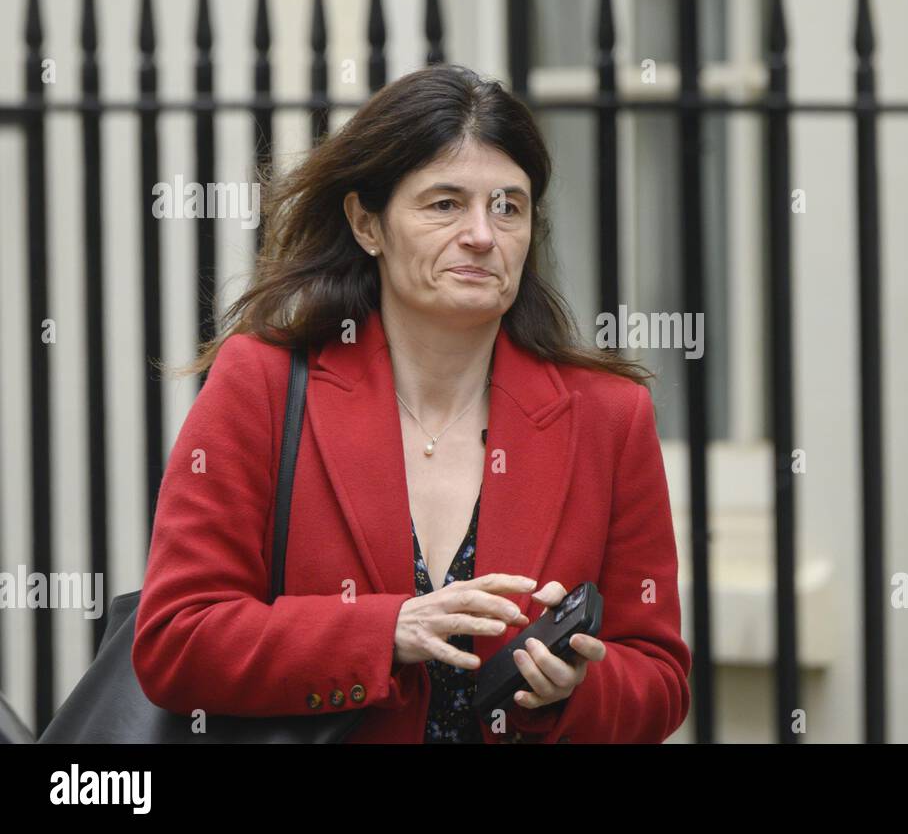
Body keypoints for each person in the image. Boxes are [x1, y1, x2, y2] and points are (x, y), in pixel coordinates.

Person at [131, 63, 692, 744]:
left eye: (507, 206)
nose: (482, 235)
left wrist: (569, 689)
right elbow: (175, 638)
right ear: (368, 223)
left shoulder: (610, 414)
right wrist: (385, 630)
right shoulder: (262, 383)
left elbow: (660, 680)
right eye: (445, 203)